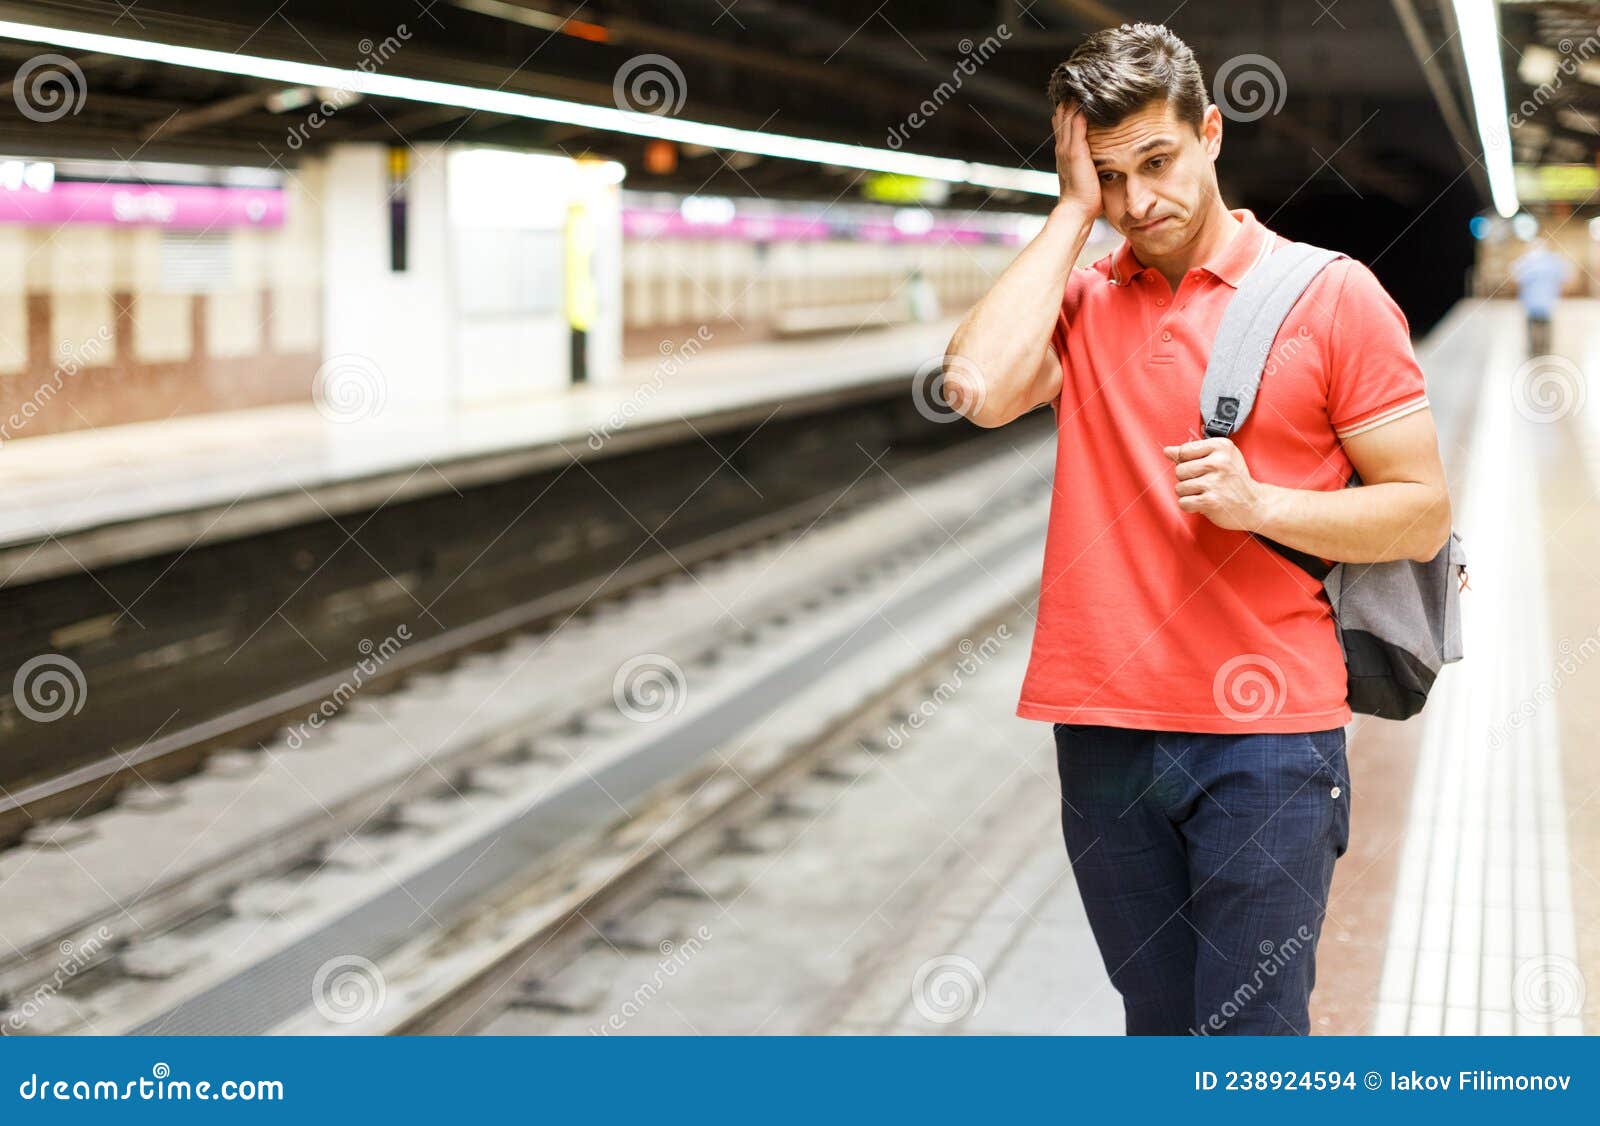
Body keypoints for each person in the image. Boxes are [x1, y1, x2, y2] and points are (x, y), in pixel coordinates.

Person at [941, 22, 1451, 1035]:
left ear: (1210, 132)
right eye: (1111, 177)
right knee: (1157, 1025)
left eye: (1158, 162)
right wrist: (1068, 213)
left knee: (1250, 1037)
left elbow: (1422, 507)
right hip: (1102, 731)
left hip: (1265, 740)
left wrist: (1261, 504)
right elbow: (976, 386)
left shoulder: (1330, 295)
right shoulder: (1083, 303)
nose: (1140, 203)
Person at [1510, 235, 1573, 356]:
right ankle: (1544, 351)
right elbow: (1566, 276)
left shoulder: (1525, 261)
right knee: (1545, 327)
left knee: (1532, 327)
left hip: (1530, 303)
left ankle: (1534, 351)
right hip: (1547, 303)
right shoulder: (1553, 261)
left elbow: (1515, 277)